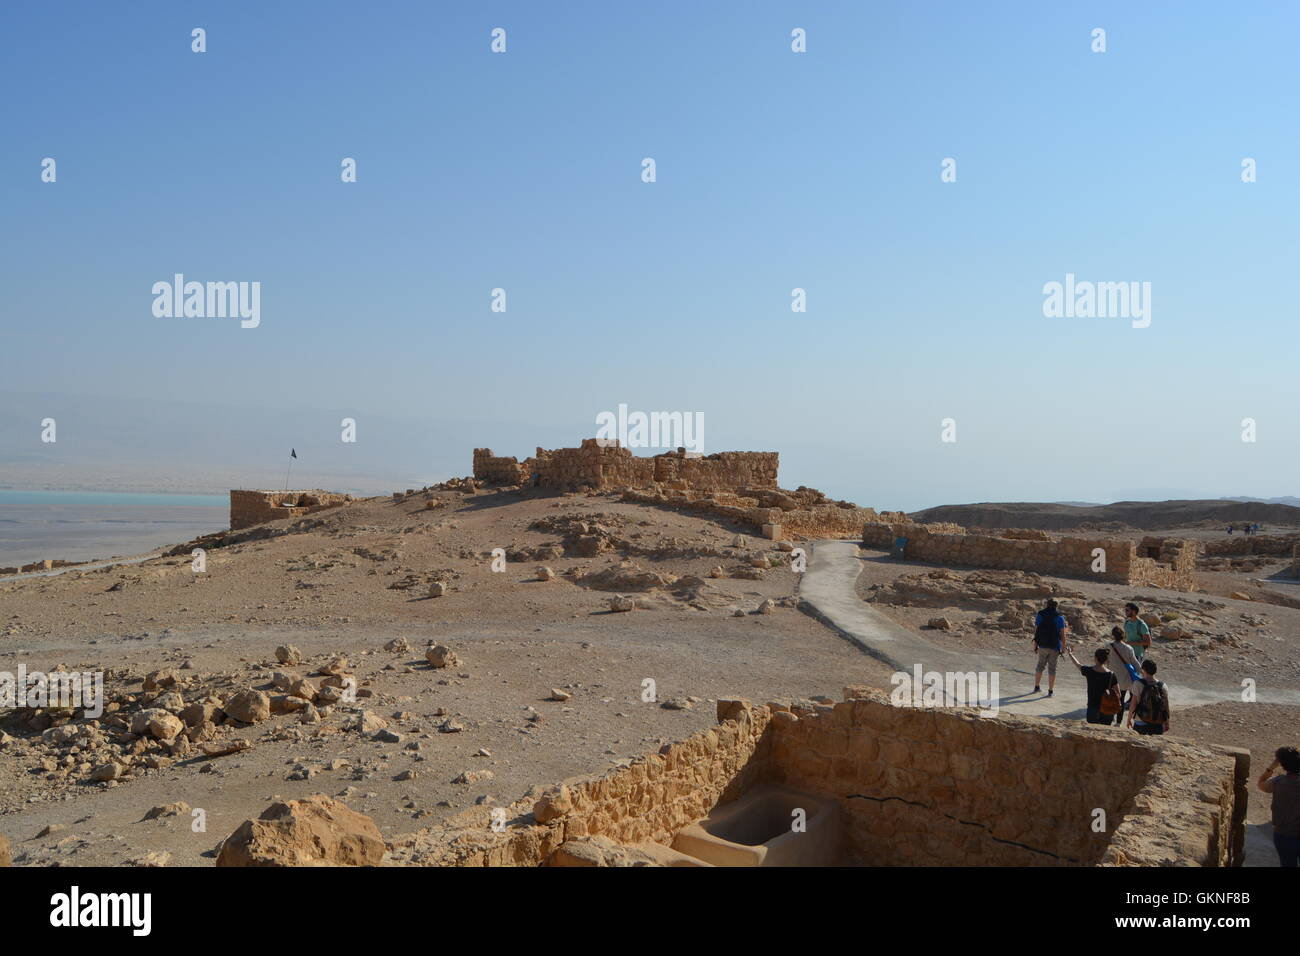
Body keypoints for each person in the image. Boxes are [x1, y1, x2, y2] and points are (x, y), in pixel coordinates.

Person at [1257, 747, 1300, 867]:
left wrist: (1271, 767)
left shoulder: (1277, 783)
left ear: (1282, 764)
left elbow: (1260, 784)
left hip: (1284, 835)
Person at [1067, 647, 1120, 724]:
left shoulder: (1089, 671)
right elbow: (1118, 693)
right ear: (1106, 660)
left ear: (1095, 658)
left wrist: (1070, 654)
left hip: (1093, 708)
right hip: (1107, 708)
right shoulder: (1111, 675)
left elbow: (1077, 664)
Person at [1031, 598, 1068, 696]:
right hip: (1055, 646)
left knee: (1040, 666)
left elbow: (1036, 631)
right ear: (1056, 606)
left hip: (1042, 645)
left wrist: (1035, 645)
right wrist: (1063, 648)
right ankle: (1050, 691)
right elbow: (1063, 635)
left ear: (1047, 604)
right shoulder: (1060, 617)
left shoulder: (1041, 614)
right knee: (1052, 669)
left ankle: (1036, 687)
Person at [1127, 658, 1169, 735]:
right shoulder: (1163, 686)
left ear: (1143, 670)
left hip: (1141, 720)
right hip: (1157, 721)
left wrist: (1129, 719)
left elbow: (1133, 704)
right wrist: (1166, 722)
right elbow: (1166, 706)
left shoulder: (1138, 684)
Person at [1106, 626, 1141, 715]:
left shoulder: (1108, 646)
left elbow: (1105, 660)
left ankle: (1109, 717)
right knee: (1121, 700)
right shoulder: (1128, 648)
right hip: (1124, 680)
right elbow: (1135, 663)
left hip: (1111, 678)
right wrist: (1142, 673)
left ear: (1113, 635)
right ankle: (1118, 722)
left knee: (1110, 698)